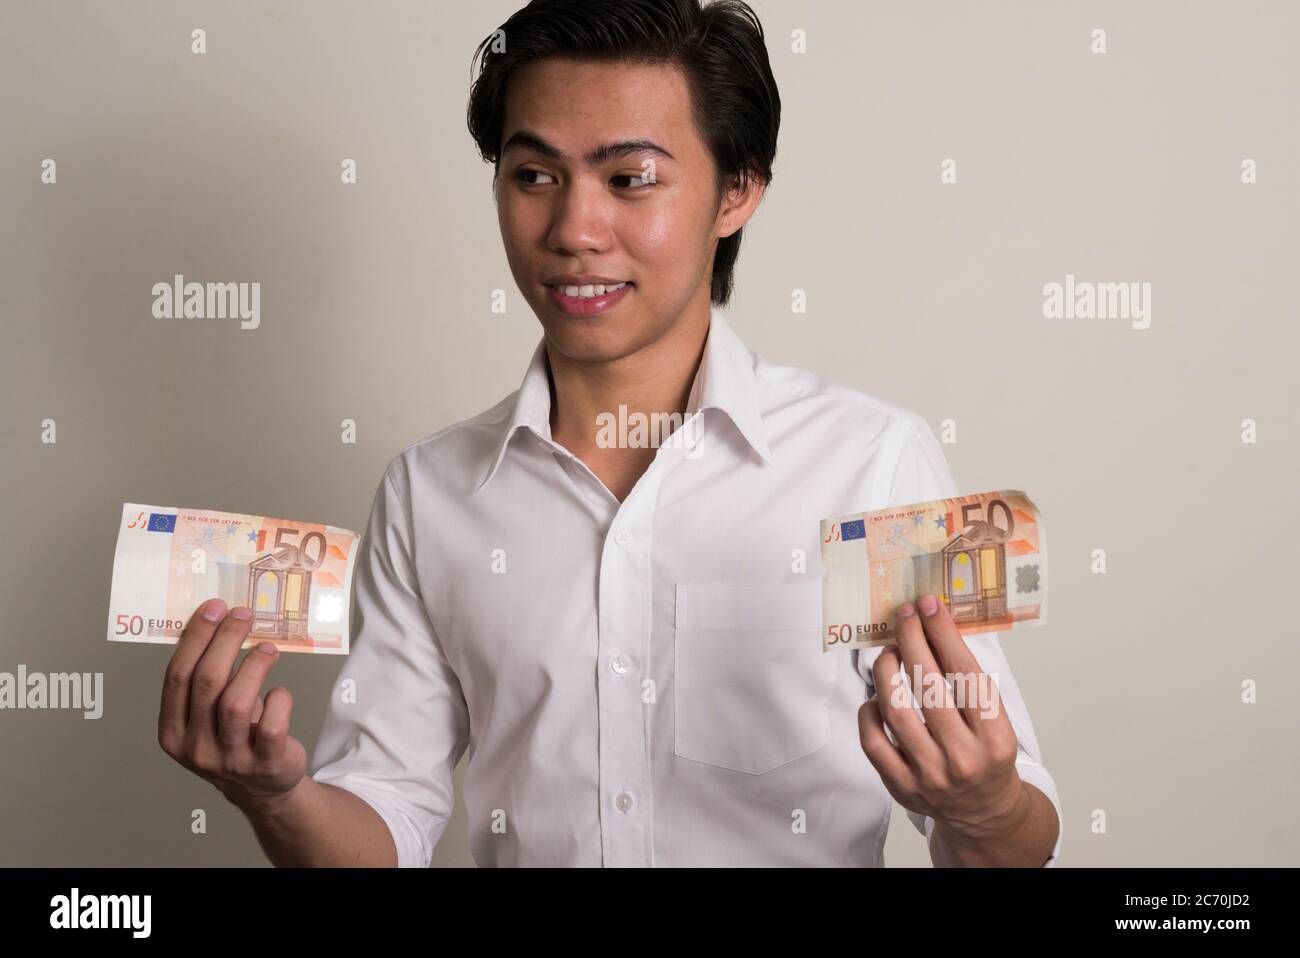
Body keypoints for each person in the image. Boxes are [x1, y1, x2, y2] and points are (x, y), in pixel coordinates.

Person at [157, 0, 1062, 867]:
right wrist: (275, 798)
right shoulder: (428, 493)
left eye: (629, 179)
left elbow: (1016, 834)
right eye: (534, 176)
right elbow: (385, 821)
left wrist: (982, 806)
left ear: (737, 192)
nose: (573, 229)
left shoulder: (872, 463)